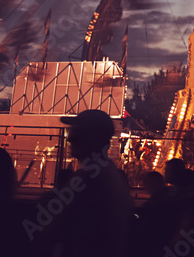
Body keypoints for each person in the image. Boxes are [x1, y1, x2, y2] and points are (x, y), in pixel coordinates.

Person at [48, 109, 133, 257]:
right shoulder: (109, 173)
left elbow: (56, 229)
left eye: (77, 132)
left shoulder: (87, 179)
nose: (70, 139)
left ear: (92, 137)